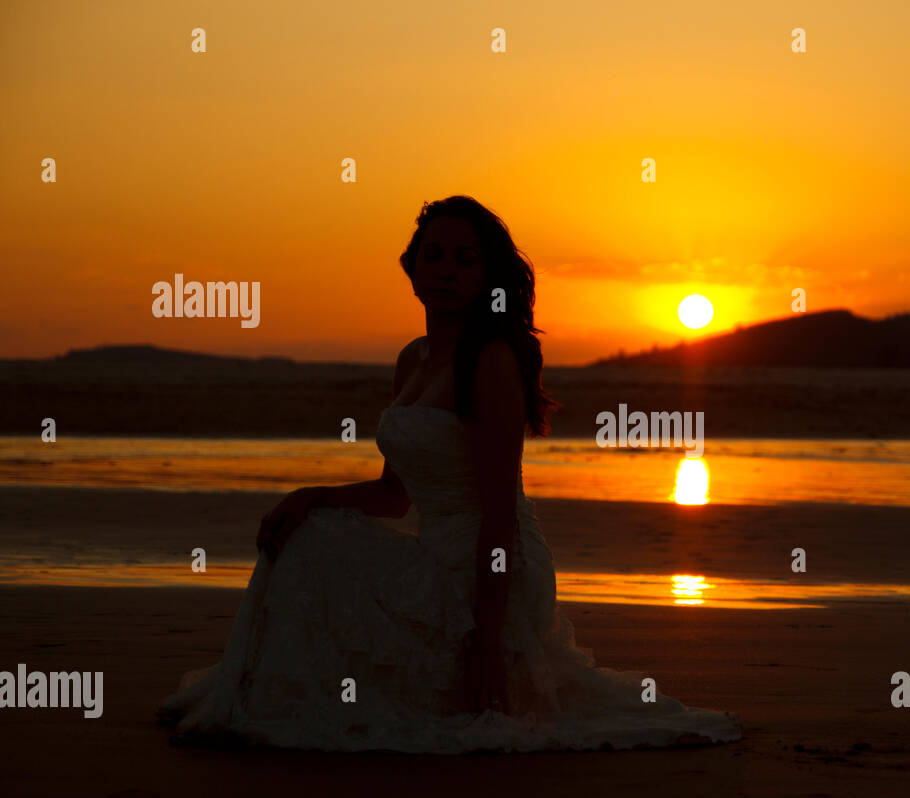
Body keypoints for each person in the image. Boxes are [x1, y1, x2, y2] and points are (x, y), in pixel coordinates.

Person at [155, 195, 743, 754]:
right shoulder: (413, 358)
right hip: (434, 560)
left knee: (329, 570)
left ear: (488, 275)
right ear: (410, 266)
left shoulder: (489, 359)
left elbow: (498, 514)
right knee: (306, 535)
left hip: (495, 570)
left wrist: (486, 642)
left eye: (465, 259)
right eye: (433, 254)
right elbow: (393, 497)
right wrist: (311, 495)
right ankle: (262, 692)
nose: (445, 270)